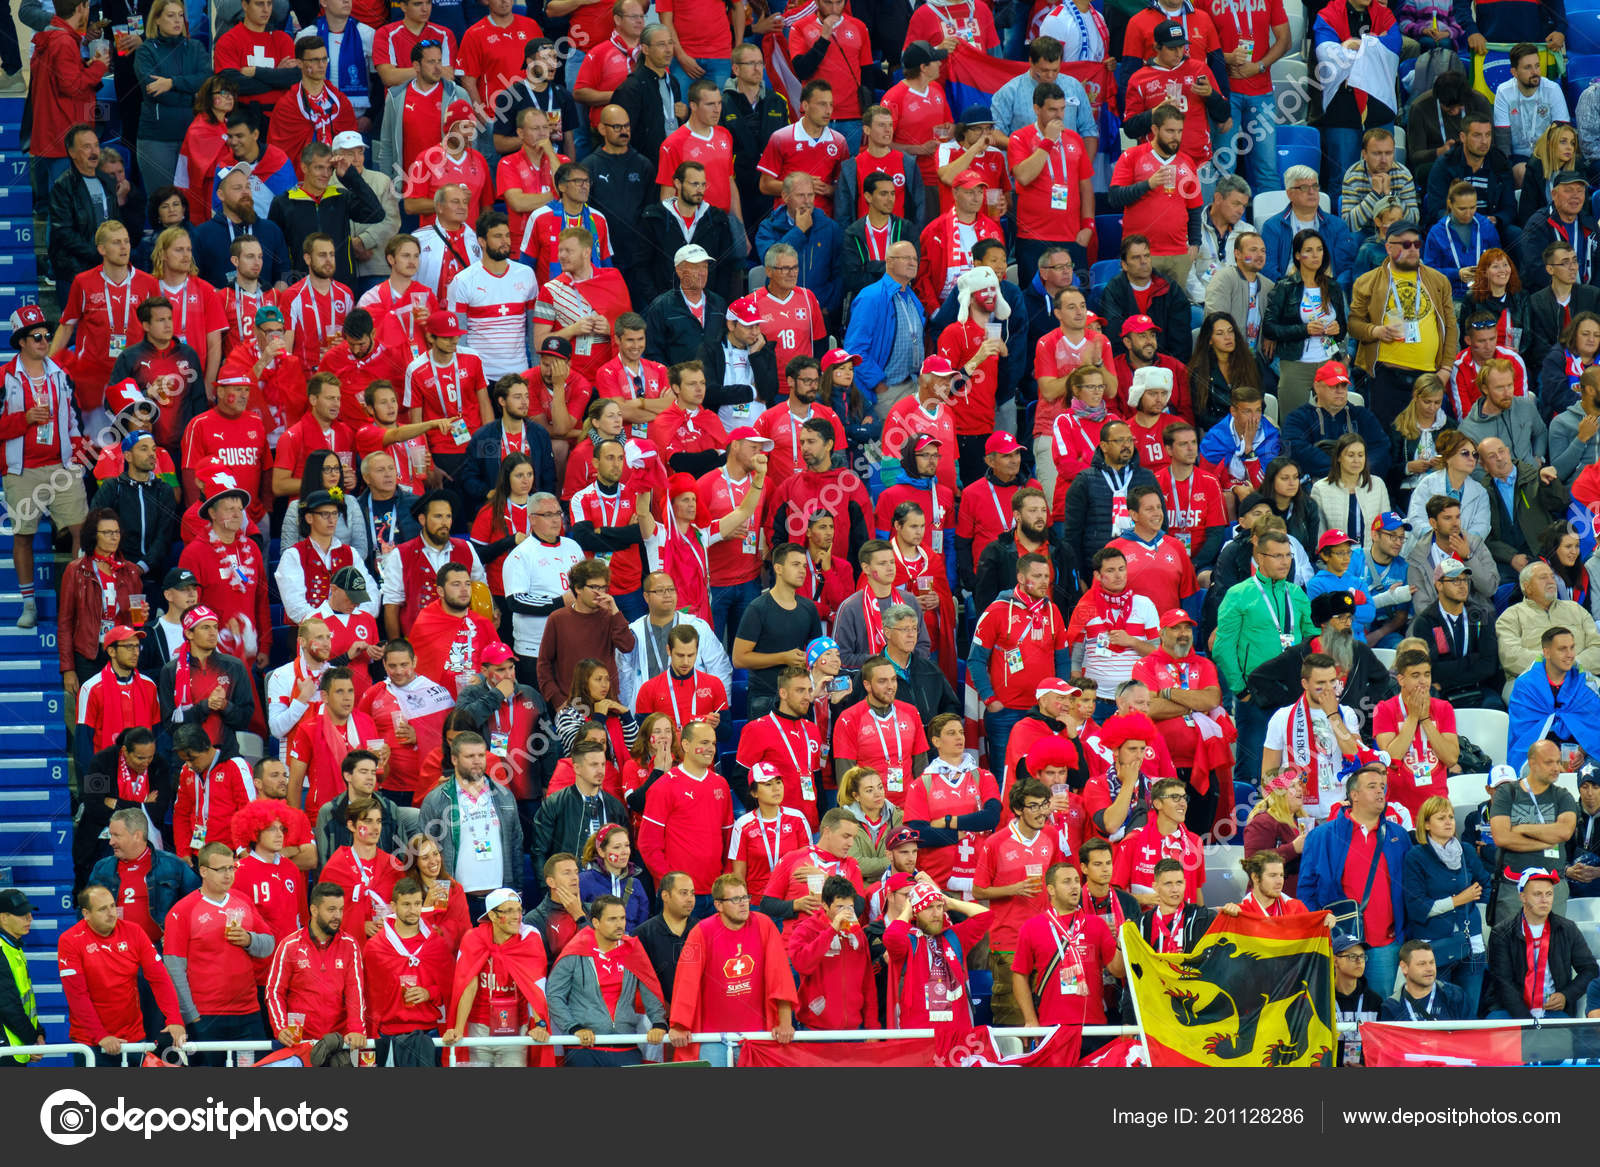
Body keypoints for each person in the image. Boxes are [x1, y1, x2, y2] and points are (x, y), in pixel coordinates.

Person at [1299, 766, 1413, 995]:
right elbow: (1306, 891)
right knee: (1336, 1008)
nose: (1380, 791)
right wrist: (1323, 928)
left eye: (1382, 786)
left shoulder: (1398, 835)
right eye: (1372, 786)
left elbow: (1411, 887)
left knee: (1379, 1009)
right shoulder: (1322, 836)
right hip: (1339, 945)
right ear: (1354, 795)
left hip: (1385, 945)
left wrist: (1403, 929)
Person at [161, 841, 274, 1063]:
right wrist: (191, 1015)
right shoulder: (182, 910)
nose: (228, 874)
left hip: (248, 1012)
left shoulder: (242, 900)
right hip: (206, 1015)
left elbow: (269, 944)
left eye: (231, 867)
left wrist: (249, 940)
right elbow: (174, 969)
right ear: (203, 871)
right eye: (221, 869)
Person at [1347, 218, 1461, 428]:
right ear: (1388, 248)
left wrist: (1446, 369)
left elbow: (1451, 328)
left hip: (1428, 376)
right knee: (1388, 438)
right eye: (1406, 245)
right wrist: (1375, 331)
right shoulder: (1367, 281)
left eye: (1417, 244)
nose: (1413, 250)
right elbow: (1354, 324)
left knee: (1425, 438)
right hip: (1387, 377)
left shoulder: (1438, 281)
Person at [58, 883, 187, 1062]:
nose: (112, 913)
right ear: (86, 914)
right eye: (102, 909)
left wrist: (175, 1019)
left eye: (113, 906)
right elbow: (77, 995)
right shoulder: (70, 940)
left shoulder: (134, 931)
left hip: (133, 1037)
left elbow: (160, 979)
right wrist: (100, 1035)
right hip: (90, 1042)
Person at [545, 894, 667, 1065]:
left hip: (626, 1045)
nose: (620, 924)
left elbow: (650, 990)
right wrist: (573, 1027)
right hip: (584, 1048)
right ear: (596, 922)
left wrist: (659, 1023)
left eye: (622, 918)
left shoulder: (633, 950)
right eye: (612, 919)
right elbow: (554, 995)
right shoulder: (575, 951)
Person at [442, 888, 551, 1068]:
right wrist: (459, 1029)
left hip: (516, 1029)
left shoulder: (529, 938)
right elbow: (468, 985)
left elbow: (535, 987)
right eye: (509, 911)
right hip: (478, 1027)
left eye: (519, 910)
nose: (517, 916)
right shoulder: (474, 939)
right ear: (492, 915)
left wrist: (540, 1025)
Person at [416, 733, 524, 912]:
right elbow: (424, 852)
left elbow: (516, 845)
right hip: (455, 898)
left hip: (500, 896)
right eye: (470, 756)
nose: (477, 761)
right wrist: (438, 900)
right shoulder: (436, 800)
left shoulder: (504, 796)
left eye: (481, 755)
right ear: (454, 759)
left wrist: (517, 892)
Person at [1486, 867, 1598, 1018]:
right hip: (1511, 1010)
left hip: (1553, 1010)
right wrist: (1528, 1022)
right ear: (1523, 897)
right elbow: (1503, 982)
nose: (1544, 900)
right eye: (1537, 894)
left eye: (1549, 894)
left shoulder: (1567, 929)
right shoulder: (1501, 932)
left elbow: (1590, 969)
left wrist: (1566, 995)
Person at [884, 876, 992, 1029]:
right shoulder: (909, 940)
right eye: (928, 907)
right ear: (916, 911)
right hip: (918, 1032)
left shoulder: (954, 936)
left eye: (939, 907)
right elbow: (891, 937)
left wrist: (951, 902)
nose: (936, 913)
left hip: (956, 1030)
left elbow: (986, 916)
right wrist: (907, 910)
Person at [786, 875, 877, 1032]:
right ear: (825, 905)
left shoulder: (857, 934)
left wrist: (872, 1026)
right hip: (815, 1029)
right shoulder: (806, 929)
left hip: (853, 1029)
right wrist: (832, 930)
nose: (846, 912)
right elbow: (801, 964)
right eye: (840, 907)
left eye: (850, 907)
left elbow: (868, 982)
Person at [1500, 566, 1600, 689]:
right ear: (1527, 587)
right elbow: (1511, 657)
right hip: (1530, 682)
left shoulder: (1576, 609)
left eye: (1552, 577)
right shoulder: (1511, 616)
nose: (1551, 581)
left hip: (1581, 677)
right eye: (1543, 577)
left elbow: (1597, 647)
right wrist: (1555, 664)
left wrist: (1573, 664)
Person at [577, 824, 651, 932]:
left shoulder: (636, 884)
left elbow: (642, 928)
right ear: (601, 852)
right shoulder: (584, 881)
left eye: (627, 845)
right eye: (617, 847)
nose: (625, 852)